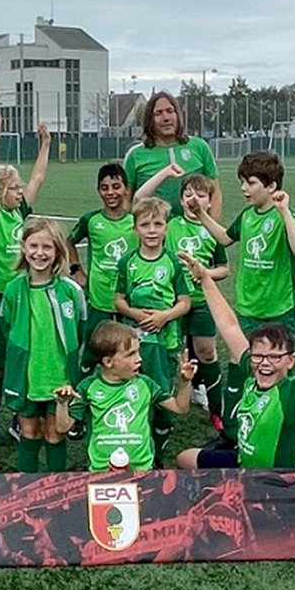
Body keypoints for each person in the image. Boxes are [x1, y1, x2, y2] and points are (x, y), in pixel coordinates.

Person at [174, 251, 295, 469]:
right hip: (243, 463)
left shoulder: (293, 393)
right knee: (185, 458)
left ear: (291, 360)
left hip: (278, 482)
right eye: (258, 356)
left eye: (274, 357)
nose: (265, 363)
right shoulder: (252, 371)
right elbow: (228, 325)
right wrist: (205, 279)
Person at [0, 115, 50, 446]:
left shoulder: (21, 212)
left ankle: (22, 419)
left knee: (24, 359)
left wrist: (45, 144)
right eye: (15, 188)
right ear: (2, 190)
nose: (21, 193)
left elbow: (38, 176)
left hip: (24, 296)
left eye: (20, 188)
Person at [0, 218, 87, 472]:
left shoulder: (70, 290)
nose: (40, 253)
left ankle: (55, 490)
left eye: (47, 247)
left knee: (55, 432)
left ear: (57, 251)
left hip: (59, 377)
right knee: (29, 431)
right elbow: (7, 326)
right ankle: (27, 490)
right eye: (34, 246)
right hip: (26, 377)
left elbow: (80, 329)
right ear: (24, 249)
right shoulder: (13, 289)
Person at [113, 197, 195, 459]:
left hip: (164, 342)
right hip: (134, 343)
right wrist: (134, 313)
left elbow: (185, 302)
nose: (151, 230)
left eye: (157, 224)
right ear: (135, 228)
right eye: (145, 224)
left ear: (166, 228)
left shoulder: (172, 262)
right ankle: (130, 444)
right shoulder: (127, 262)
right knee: (130, 392)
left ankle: (158, 451)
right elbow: (118, 299)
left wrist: (164, 316)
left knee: (161, 398)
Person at [195, 151, 295, 336]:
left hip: (279, 307)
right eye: (242, 182)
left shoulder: (286, 216)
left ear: (271, 186)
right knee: (247, 358)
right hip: (247, 306)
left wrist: (284, 211)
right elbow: (225, 238)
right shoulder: (247, 215)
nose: (243, 188)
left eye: (250, 182)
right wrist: (201, 214)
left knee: (276, 359)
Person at [66, 321, 195, 472]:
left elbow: (180, 407)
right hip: (100, 471)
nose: (139, 359)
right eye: (130, 354)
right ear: (108, 362)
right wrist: (62, 404)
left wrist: (185, 382)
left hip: (142, 469)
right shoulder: (88, 388)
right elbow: (64, 426)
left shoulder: (145, 384)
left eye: (138, 352)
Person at [157, 173, 227, 414]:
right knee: (173, 352)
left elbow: (224, 269)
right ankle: (167, 401)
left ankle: (216, 406)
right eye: (188, 194)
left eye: (200, 195)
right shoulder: (170, 225)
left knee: (206, 350)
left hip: (202, 301)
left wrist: (206, 273)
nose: (193, 199)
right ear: (181, 199)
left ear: (209, 201)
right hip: (173, 301)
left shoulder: (213, 231)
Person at [66, 162, 136, 343]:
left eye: (116, 187)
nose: (110, 192)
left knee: (128, 345)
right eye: (104, 188)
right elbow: (69, 241)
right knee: (95, 344)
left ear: (127, 190)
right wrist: (77, 271)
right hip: (98, 295)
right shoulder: (90, 220)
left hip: (129, 297)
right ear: (99, 191)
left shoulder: (136, 221)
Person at [123, 91, 220, 216]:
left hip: (192, 232)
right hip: (153, 231)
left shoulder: (199, 146)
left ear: (178, 115)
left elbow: (215, 193)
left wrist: (209, 229)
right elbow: (126, 200)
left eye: (170, 111)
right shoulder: (135, 155)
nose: (166, 118)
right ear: (149, 120)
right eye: (158, 113)